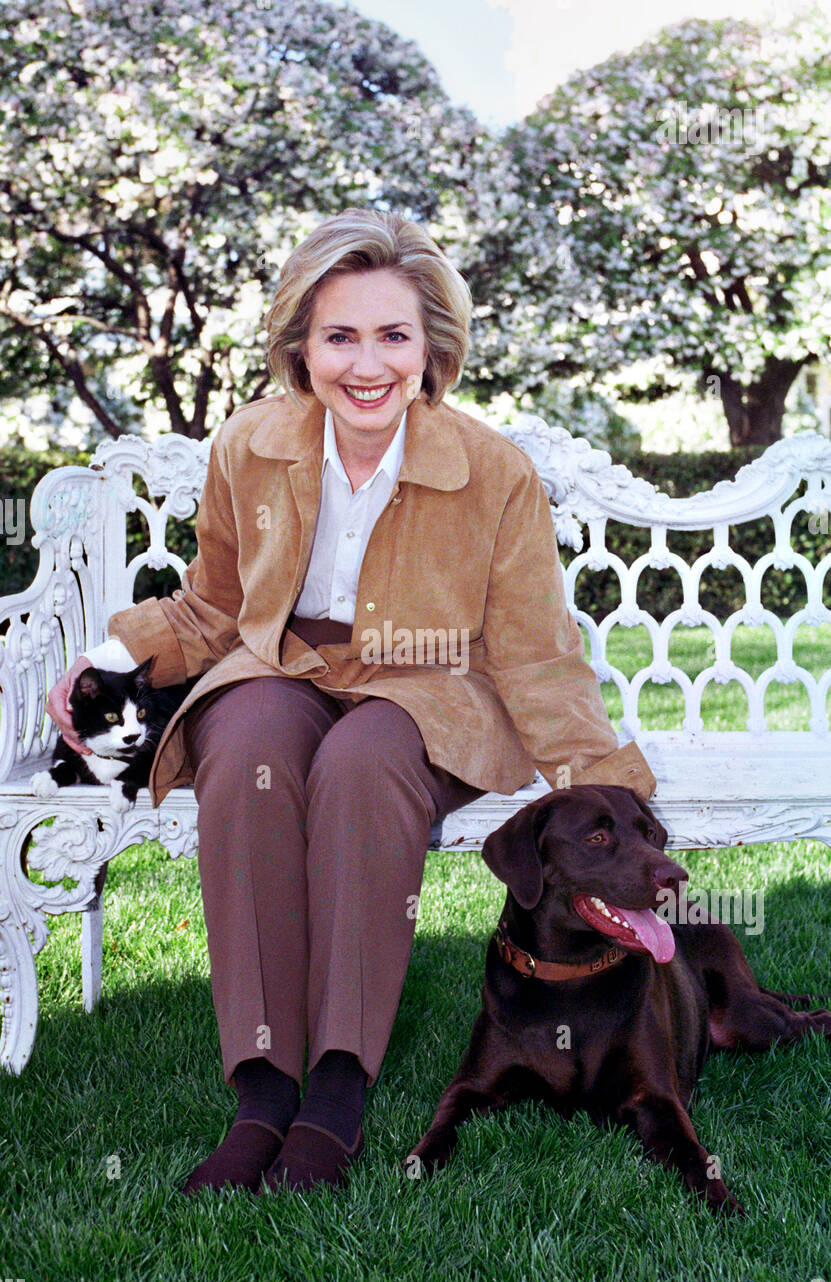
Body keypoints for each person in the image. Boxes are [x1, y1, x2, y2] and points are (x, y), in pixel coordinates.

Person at [46, 207, 657, 1195]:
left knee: (362, 761)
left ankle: (334, 1091)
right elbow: (212, 604)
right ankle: (259, 1089)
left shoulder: (491, 472)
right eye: (339, 336)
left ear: (432, 349)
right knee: (244, 738)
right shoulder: (251, 445)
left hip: (427, 694)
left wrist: (611, 799)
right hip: (282, 668)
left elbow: (538, 658)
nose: (365, 365)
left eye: (392, 336)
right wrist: (113, 659)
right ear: (301, 346)